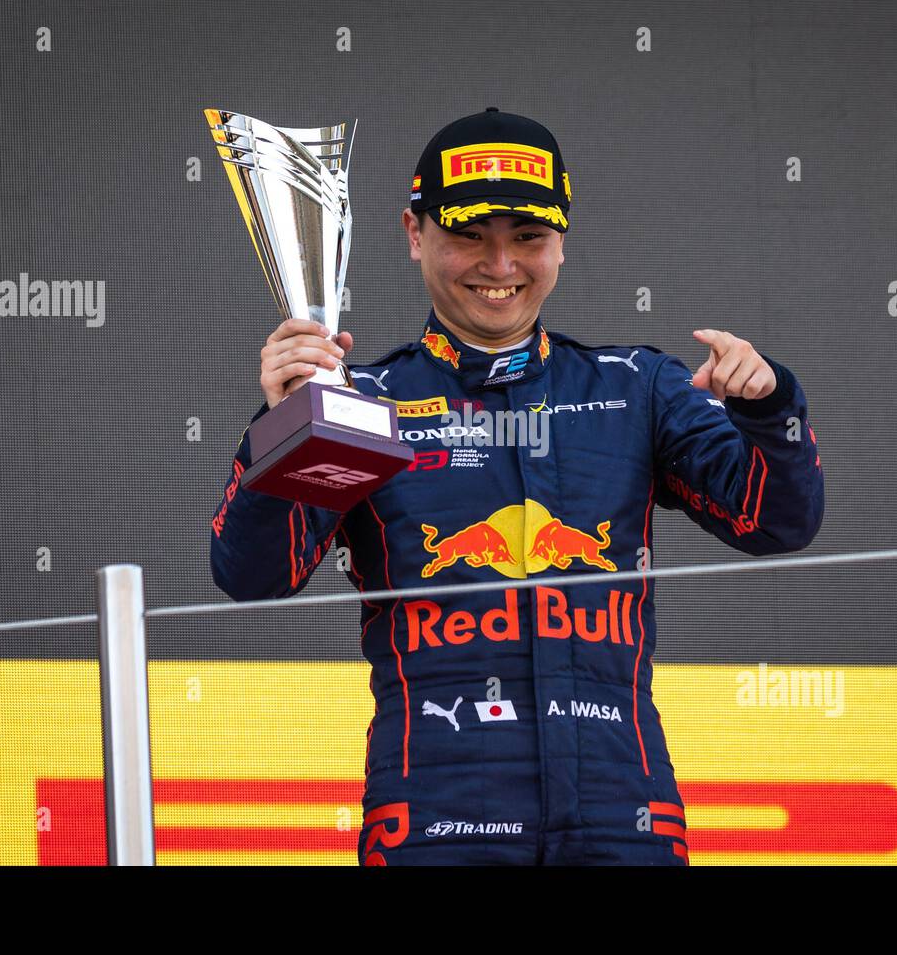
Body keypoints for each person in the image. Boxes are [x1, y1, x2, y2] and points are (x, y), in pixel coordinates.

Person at [210, 107, 825, 865]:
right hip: (435, 820)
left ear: (560, 244)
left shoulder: (637, 388)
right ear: (414, 233)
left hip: (622, 815)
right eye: (470, 235)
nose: (499, 266)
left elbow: (778, 523)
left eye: (527, 238)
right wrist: (283, 428)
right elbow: (253, 577)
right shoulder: (357, 404)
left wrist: (768, 408)